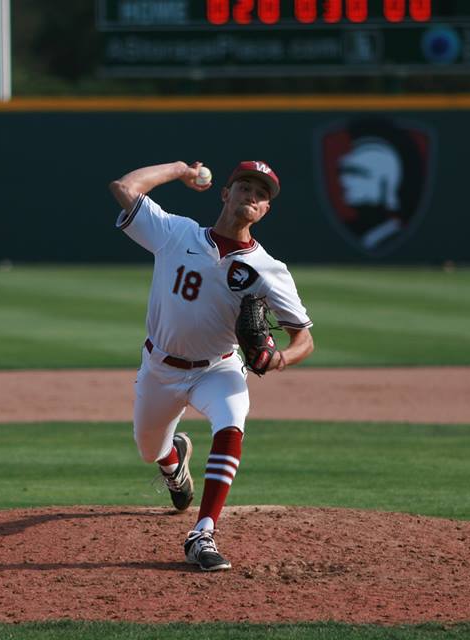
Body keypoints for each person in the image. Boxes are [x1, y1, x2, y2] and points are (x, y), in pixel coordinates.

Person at [108, 160, 314, 571]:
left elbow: (304, 338)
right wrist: (181, 170)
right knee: (149, 449)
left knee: (232, 421)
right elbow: (124, 187)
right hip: (160, 368)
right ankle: (173, 463)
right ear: (226, 193)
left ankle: (202, 533)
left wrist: (280, 358)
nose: (251, 196)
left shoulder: (269, 270)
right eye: (245, 187)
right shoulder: (175, 233)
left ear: (265, 210)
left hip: (217, 368)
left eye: (261, 194)